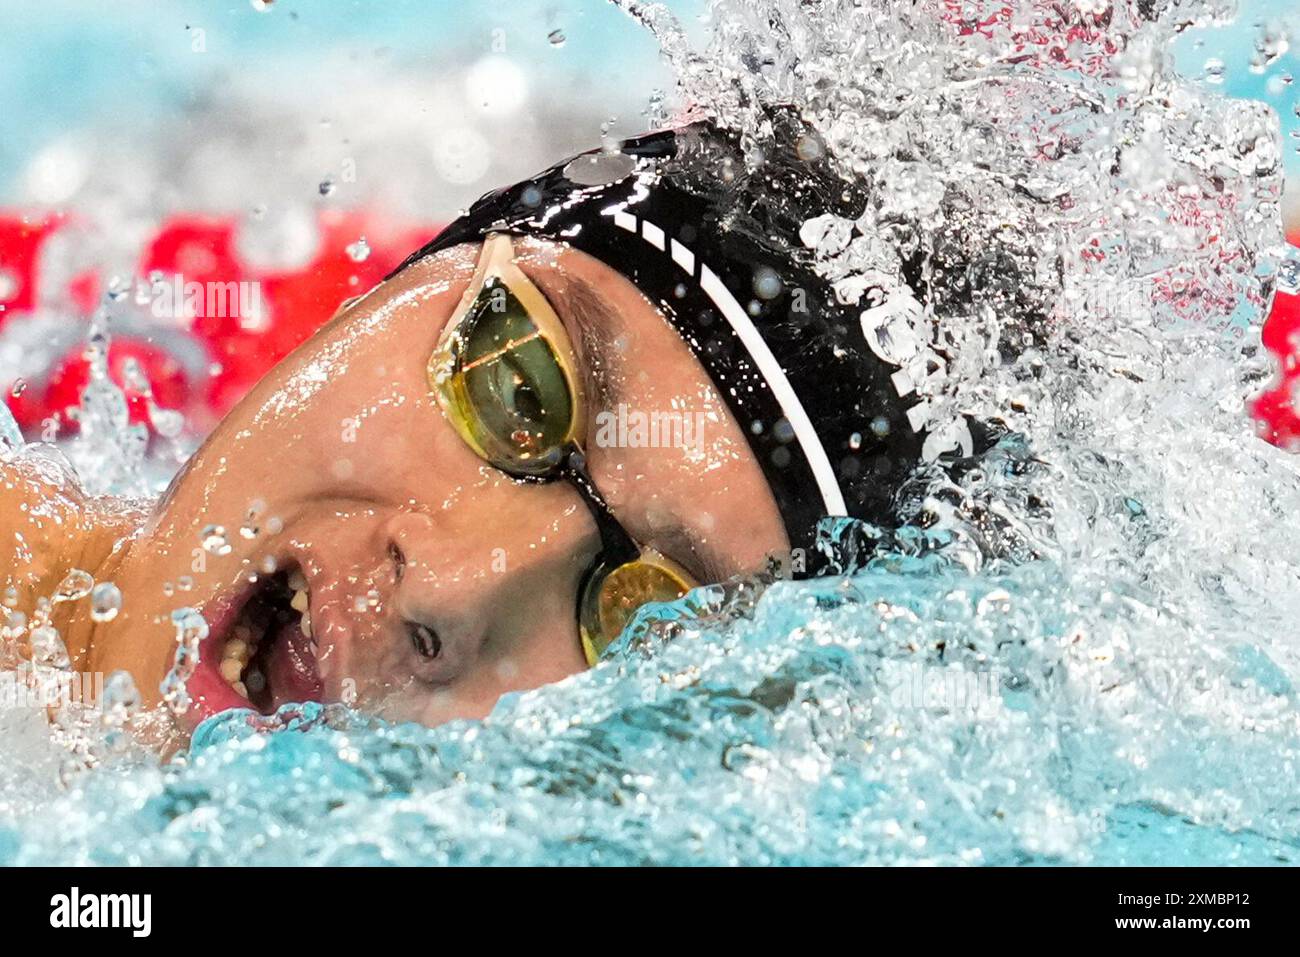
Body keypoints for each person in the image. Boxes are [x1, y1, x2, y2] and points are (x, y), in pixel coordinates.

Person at [1, 113, 935, 734]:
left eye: (652, 624)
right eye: (518, 387)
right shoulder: (106, 324)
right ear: (406, 274)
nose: (446, 594)